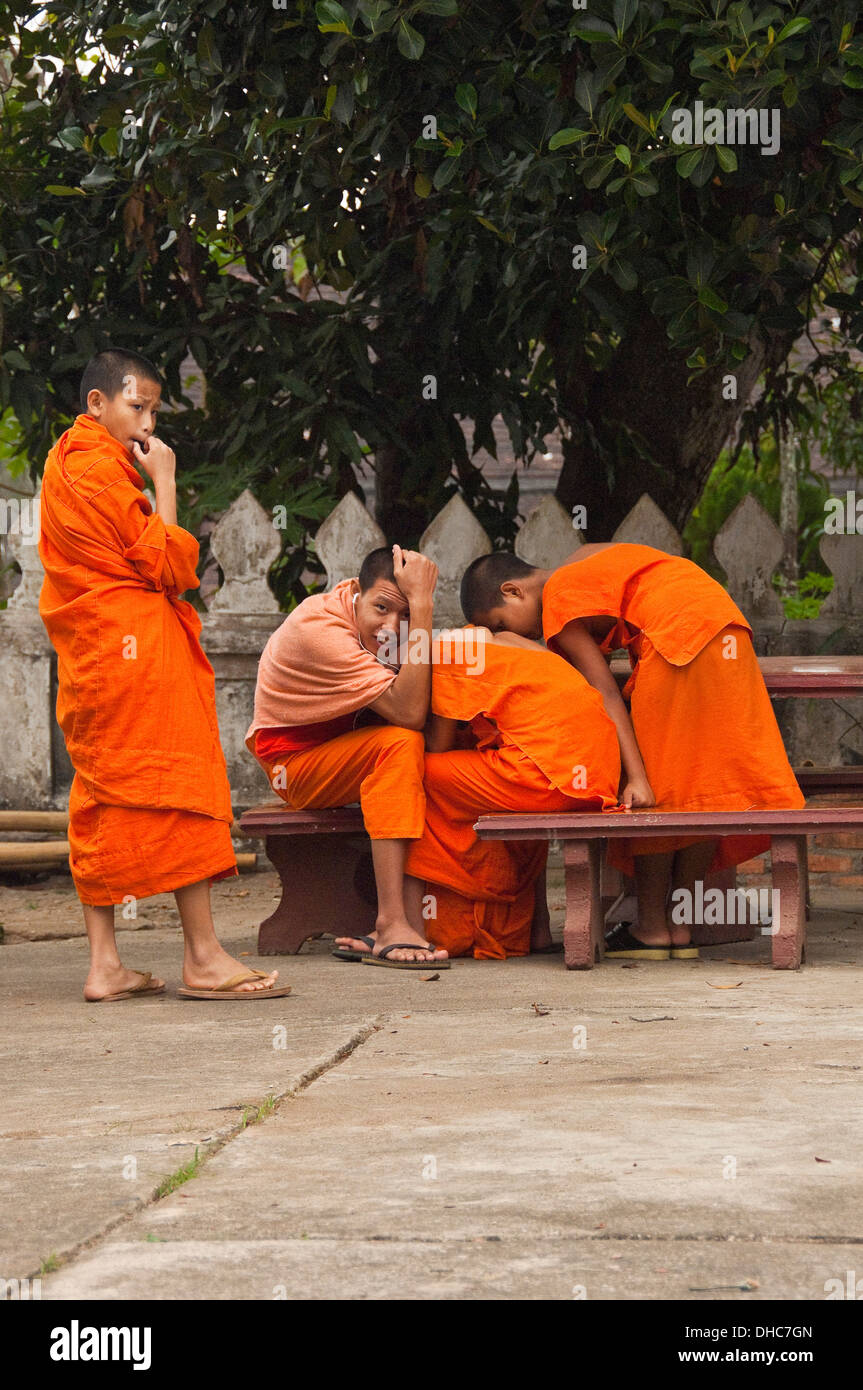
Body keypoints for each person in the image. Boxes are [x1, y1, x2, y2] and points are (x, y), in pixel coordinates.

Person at [39, 348, 290, 1001]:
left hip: (96, 654)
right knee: (176, 783)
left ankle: (104, 966)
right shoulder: (96, 466)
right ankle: (202, 956)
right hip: (134, 652)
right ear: (97, 404)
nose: (148, 422)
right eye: (137, 405)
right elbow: (168, 566)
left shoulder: (68, 463)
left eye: (153, 408)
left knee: (98, 791)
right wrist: (167, 482)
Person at [460, 543, 804, 960]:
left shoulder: (555, 603)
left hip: (675, 642)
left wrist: (637, 776)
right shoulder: (582, 558)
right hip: (724, 627)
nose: (522, 637)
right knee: (702, 789)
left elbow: (604, 691)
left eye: (501, 625)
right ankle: (679, 923)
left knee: (655, 790)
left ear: (513, 591)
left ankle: (652, 928)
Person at [247, 546, 450, 970]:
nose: (391, 628)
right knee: (400, 744)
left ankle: (408, 920)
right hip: (293, 765)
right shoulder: (319, 628)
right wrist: (425, 608)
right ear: (355, 592)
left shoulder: (378, 624)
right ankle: (392, 922)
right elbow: (410, 715)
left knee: (435, 753)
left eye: (405, 615)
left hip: (346, 749)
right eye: (381, 608)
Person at [400, 629, 621, 960]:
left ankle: (411, 926)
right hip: (591, 783)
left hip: (545, 780)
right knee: (486, 784)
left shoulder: (450, 647)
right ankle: (537, 926)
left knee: (414, 771)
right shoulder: (516, 646)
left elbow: (438, 744)